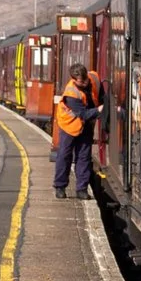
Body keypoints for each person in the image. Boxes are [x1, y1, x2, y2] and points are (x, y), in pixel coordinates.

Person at [52, 64, 101, 198]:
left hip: (85, 126)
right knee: (64, 155)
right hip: (69, 126)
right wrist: (99, 110)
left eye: (85, 79)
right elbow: (83, 114)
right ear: (74, 80)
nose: (84, 83)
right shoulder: (71, 93)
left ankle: (82, 189)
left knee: (84, 156)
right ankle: (60, 186)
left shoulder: (94, 79)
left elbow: (99, 94)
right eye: (81, 81)